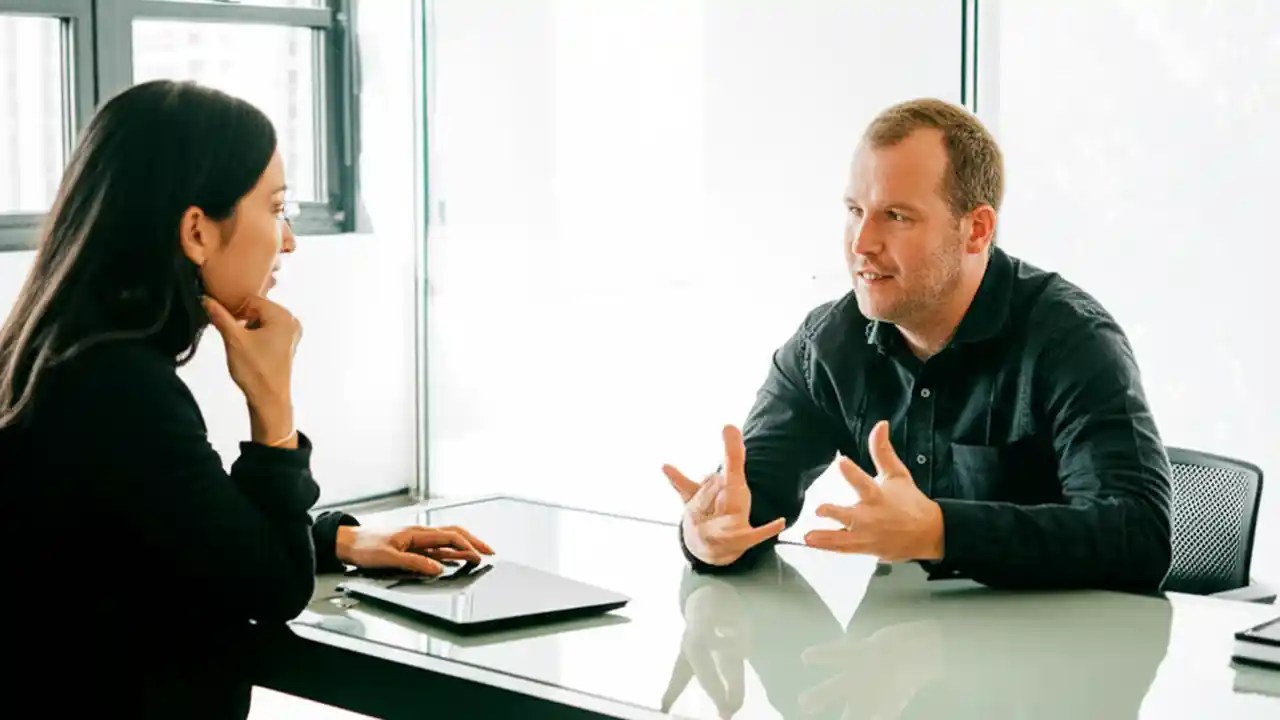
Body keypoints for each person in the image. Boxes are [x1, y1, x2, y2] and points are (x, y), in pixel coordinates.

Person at [0, 80, 492, 718]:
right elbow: (271, 587)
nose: (288, 241)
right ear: (197, 232)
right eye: (277, 208)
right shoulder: (123, 391)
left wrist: (337, 541)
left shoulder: (56, 359)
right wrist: (273, 406)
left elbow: (168, 530)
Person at [663, 98, 1173, 592]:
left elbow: (1138, 536)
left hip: (1053, 644)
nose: (862, 243)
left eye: (897, 216)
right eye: (855, 210)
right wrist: (709, 534)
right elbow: (750, 498)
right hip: (896, 641)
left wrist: (940, 532)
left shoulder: (1072, 340)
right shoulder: (827, 345)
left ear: (976, 230)